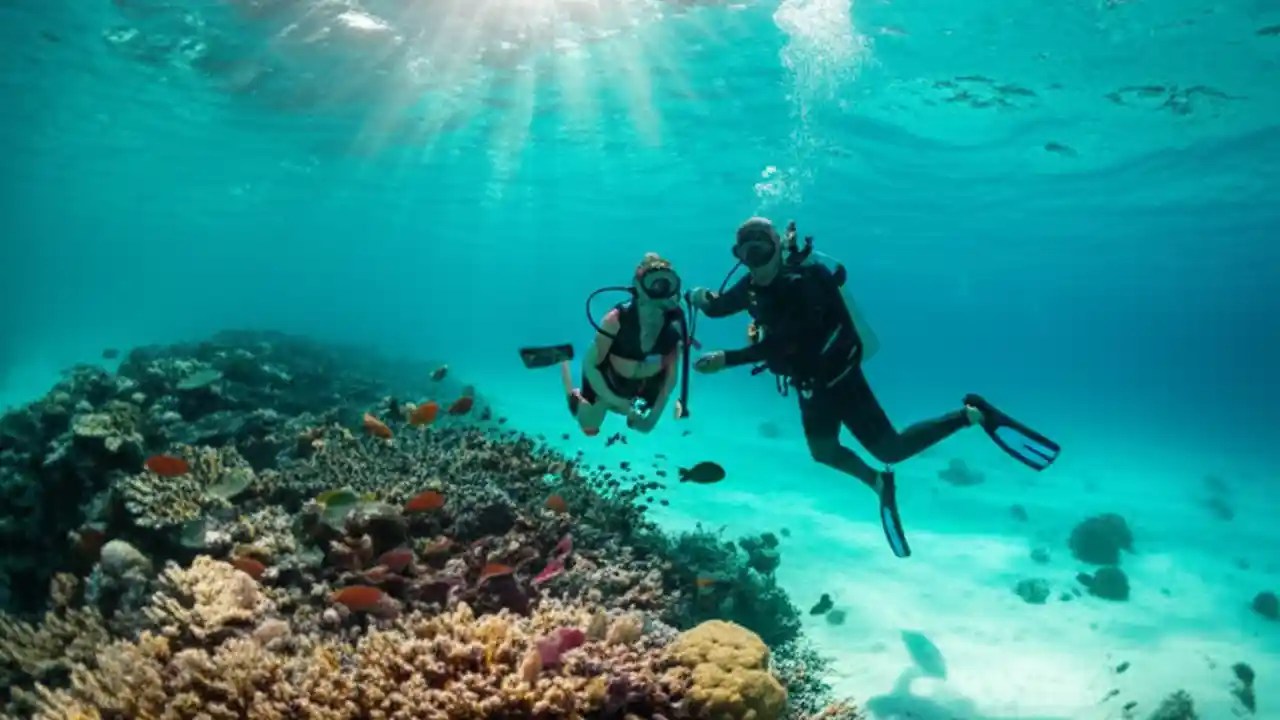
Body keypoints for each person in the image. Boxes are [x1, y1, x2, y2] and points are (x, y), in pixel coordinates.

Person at [688, 217, 1059, 557]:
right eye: (746, 253)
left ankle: (972, 415)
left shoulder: (808, 281)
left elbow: (788, 342)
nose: (755, 262)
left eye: (762, 250)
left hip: (838, 377)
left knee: (891, 448)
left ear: (777, 248)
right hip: (808, 384)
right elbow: (722, 306)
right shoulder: (752, 285)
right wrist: (701, 299)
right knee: (824, 451)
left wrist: (727, 359)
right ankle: (878, 483)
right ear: (739, 257)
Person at [562, 252, 690, 437]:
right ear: (638, 286)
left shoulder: (675, 328)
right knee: (589, 425)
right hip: (606, 384)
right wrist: (614, 400)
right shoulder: (616, 319)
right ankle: (573, 397)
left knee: (642, 428)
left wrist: (650, 420)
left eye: (666, 283)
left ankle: (622, 407)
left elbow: (669, 382)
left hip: (637, 391)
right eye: (652, 282)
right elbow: (590, 365)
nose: (659, 290)